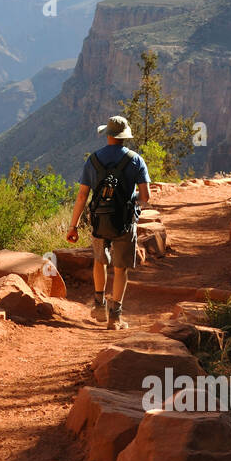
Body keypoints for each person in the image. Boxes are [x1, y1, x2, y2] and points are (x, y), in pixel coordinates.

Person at [66, 115, 152, 329]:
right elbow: (146, 196)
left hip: (98, 221)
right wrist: (133, 207)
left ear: (108, 135)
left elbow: (82, 196)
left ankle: (98, 306)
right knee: (121, 268)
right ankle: (115, 318)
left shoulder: (93, 159)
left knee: (99, 260)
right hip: (124, 222)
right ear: (125, 136)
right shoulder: (136, 160)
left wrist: (73, 226)